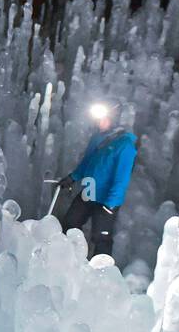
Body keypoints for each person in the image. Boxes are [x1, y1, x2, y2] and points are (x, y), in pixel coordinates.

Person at [58, 101, 137, 258]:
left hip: (106, 200)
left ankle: (100, 272)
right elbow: (88, 162)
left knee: (101, 238)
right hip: (89, 191)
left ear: (115, 120)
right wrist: (72, 178)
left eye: (104, 119)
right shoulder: (97, 138)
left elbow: (121, 178)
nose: (99, 122)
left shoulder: (125, 145)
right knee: (70, 224)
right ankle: (66, 259)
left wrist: (111, 205)